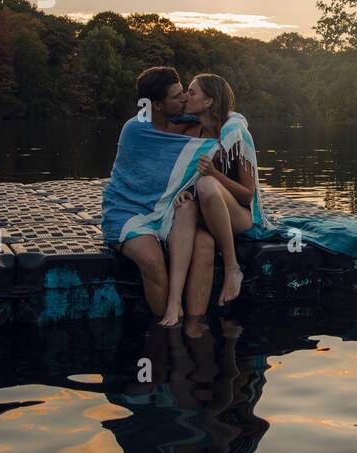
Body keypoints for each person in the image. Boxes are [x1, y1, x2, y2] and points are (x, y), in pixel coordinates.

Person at [101, 67, 217, 325]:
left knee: (205, 243)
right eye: (177, 97)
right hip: (128, 210)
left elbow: (226, 121)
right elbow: (155, 174)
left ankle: (194, 324)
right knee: (152, 262)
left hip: (167, 210)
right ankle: (168, 329)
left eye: (184, 92)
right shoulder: (136, 129)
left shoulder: (184, 122)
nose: (184, 99)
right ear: (157, 105)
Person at [177, 74, 256, 305]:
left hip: (238, 216)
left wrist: (214, 174)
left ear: (209, 101)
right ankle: (190, 319)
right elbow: (184, 178)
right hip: (206, 210)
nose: (185, 97)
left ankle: (233, 269)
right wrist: (185, 192)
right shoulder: (191, 133)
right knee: (199, 235)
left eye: (192, 92)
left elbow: (247, 194)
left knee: (207, 184)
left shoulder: (234, 135)